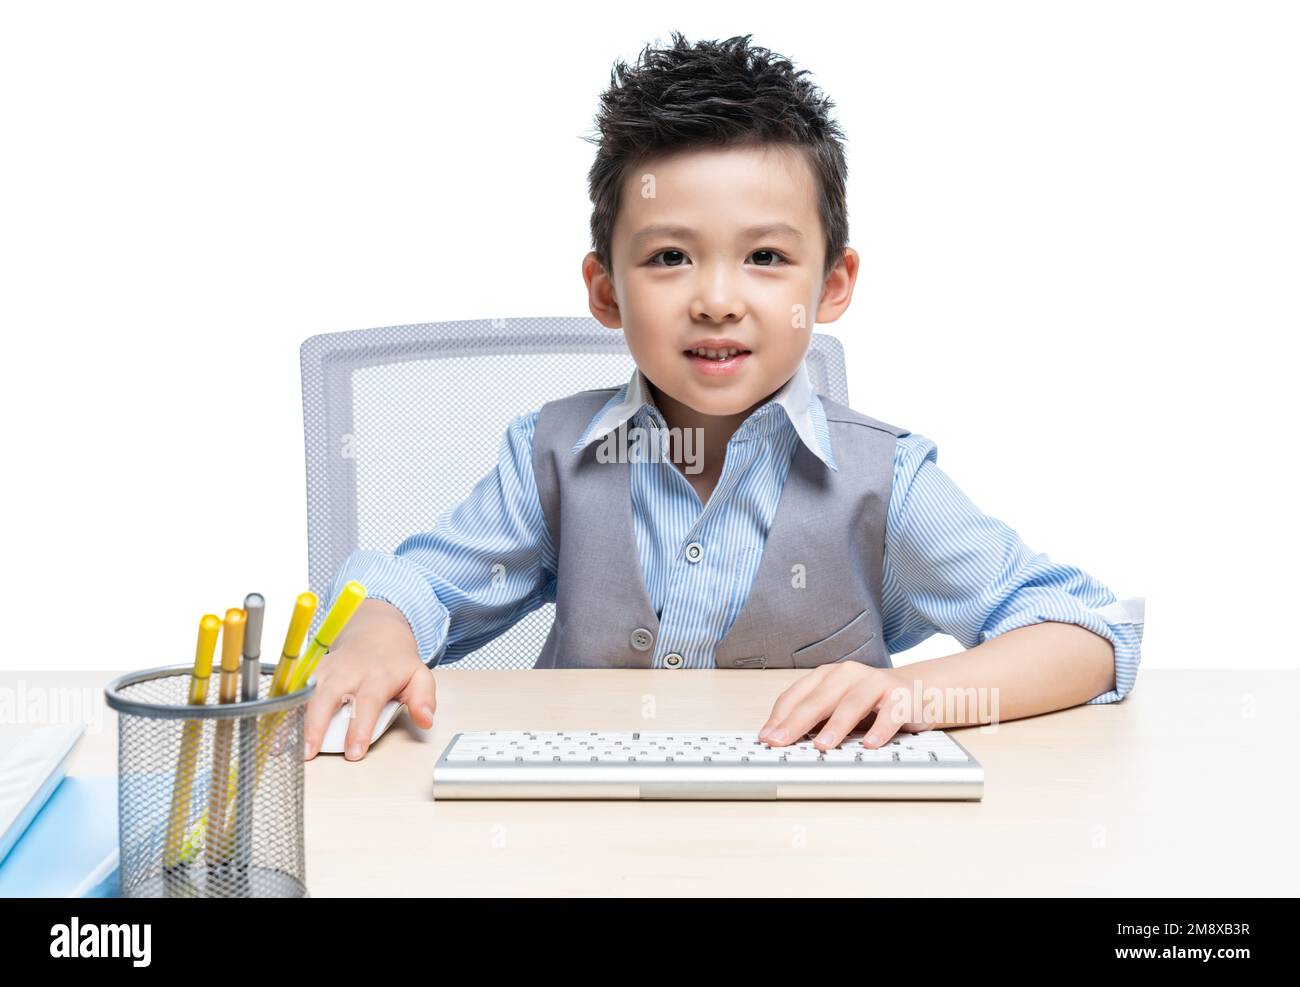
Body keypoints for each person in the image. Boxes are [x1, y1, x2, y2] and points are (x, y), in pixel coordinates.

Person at [303, 32, 1143, 761]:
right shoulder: (549, 458)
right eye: (670, 257)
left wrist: (918, 693)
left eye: (766, 258)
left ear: (834, 282)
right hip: (580, 835)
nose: (716, 298)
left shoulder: (885, 479)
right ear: (605, 292)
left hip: (815, 842)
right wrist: (383, 631)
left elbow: (1085, 634)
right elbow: (419, 585)